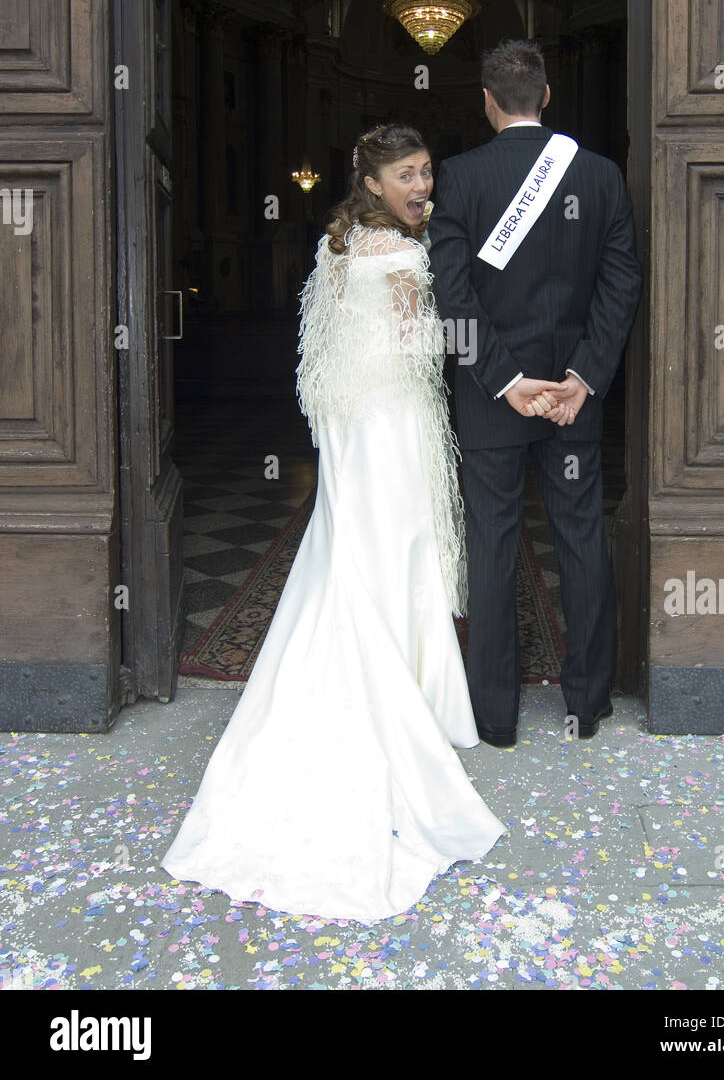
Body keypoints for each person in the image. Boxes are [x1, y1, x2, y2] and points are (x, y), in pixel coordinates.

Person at [160, 124, 505, 924]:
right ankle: (407, 696)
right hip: (391, 419)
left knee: (356, 546)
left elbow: (324, 342)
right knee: (402, 545)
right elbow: (427, 344)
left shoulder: (337, 242)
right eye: (408, 175)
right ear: (376, 183)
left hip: (350, 423)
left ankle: (395, 677)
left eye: (426, 173)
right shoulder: (404, 256)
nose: (423, 186)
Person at [427, 39, 643, 748]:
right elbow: (620, 285)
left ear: (486, 101)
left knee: (491, 544)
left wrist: (506, 381)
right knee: (580, 538)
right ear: (546, 95)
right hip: (573, 401)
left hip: (494, 400)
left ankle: (495, 720)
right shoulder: (602, 174)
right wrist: (579, 377)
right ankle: (587, 706)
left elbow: (449, 296)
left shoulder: (458, 177)